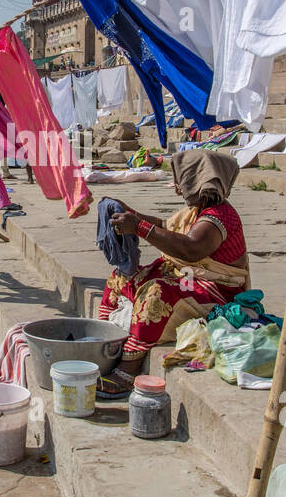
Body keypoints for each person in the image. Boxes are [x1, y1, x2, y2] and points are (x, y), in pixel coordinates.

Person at [96, 149, 249, 397]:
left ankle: (128, 367)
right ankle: (103, 342)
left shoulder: (219, 217)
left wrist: (140, 228)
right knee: (119, 278)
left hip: (216, 291)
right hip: (189, 278)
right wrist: (130, 214)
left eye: (182, 181)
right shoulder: (197, 211)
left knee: (157, 292)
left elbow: (191, 249)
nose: (177, 188)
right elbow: (166, 227)